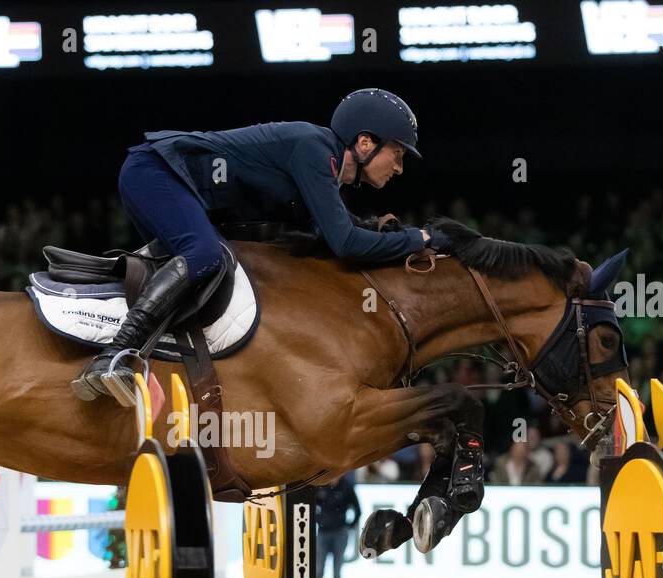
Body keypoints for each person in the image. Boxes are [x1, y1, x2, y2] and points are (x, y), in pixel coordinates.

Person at [72, 89, 444, 400]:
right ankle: (114, 355)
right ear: (365, 142)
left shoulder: (325, 168)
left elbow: (321, 237)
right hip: (155, 171)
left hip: (166, 181)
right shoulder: (315, 149)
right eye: (397, 154)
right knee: (205, 256)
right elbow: (345, 243)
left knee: (214, 266)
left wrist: (392, 236)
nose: (399, 168)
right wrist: (420, 238)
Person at [315, 474, 361, 578]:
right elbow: (312, 505)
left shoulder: (346, 486)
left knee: (337, 568)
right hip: (323, 531)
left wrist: (349, 526)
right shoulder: (321, 486)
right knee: (319, 568)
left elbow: (358, 509)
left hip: (340, 532)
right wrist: (318, 520)